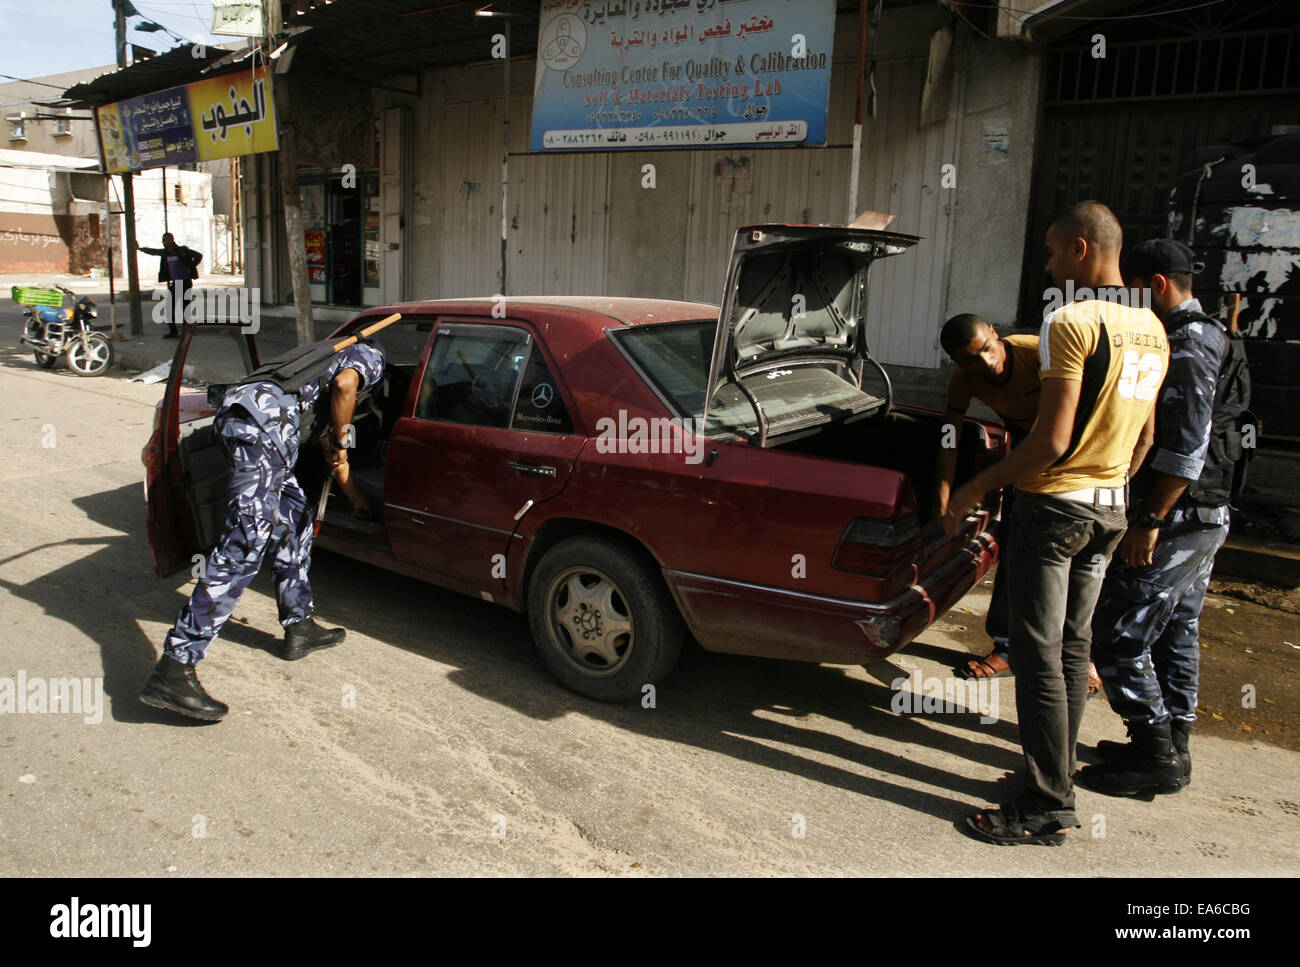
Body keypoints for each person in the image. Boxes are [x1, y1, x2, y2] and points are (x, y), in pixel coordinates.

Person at [942, 201, 1167, 845]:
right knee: (1073, 646)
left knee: (1038, 655)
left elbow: (1048, 441)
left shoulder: (1068, 321)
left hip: (1054, 507)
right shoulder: (1152, 327)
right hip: (1110, 506)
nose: (1044, 262)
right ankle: (1057, 775)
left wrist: (976, 490)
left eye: (1049, 250)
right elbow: (1149, 433)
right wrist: (1113, 480)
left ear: (1079, 249)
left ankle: (1045, 803)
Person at [1076, 239, 1249, 798]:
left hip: (1179, 516)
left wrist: (1149, 519)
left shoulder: (1190, 343)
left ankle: (1156, 758)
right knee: (1176, 630)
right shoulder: (1215, 334)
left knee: (1119, 636)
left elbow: (1185, 448)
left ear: (1154, 285)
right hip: (1201, 515)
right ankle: (1171, 743)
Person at [139, 338, 387, 722]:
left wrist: (355, 496)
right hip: (261, 435)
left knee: (294, 518)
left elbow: (335, 458)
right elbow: (346, 387)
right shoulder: (366, 354)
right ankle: (175, 667)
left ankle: (299, 623)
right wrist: (344, 439)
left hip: (252, 428)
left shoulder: (315, 358)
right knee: (244, 544)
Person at [136, 233, 202, 339]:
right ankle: (173, 331)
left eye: (165, 240)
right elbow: (154, 252)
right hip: (175, 283)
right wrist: (140, 249)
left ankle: (185, 330)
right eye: (163, 240)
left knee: (185, 307)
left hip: (185, 281)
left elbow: (199, 256)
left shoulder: (182, 250)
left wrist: (190, 266)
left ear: (171, 240)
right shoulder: (165, 253)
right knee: (169, 307)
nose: (164, 242)